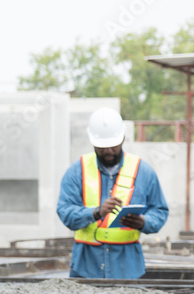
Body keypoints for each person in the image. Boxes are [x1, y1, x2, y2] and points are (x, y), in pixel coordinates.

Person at [57, 108, 169, 279]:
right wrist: (96, 212)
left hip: (127, 267)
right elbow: (65, 211)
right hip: (86, 267)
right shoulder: (76, 171)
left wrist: (143, 222)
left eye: (113, 145)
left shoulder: (143, 172)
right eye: (102, 147)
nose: (108, 151)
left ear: (123, 138)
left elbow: (160, 211)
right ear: (92, 142)